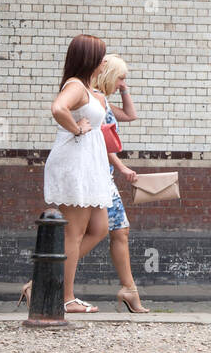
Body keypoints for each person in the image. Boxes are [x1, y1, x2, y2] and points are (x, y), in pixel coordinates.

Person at [33, 34, 115, 313]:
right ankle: (64, 298)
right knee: (74, 234)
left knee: (100, 228)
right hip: (75, 165)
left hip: (90, 165)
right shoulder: (76, 85)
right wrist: (77, 128)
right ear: (89, 59)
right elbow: (58, 108)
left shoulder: (89, 89)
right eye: (101, 55)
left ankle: (40, 282)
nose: (105, 60)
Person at [90, 54, 149, 313]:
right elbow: (101, 142)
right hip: (98, 176)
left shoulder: (104, 102)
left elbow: (130, 115)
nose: (122, 82)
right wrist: (123, 167)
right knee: (91, 232)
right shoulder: (94, 100)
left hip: (103, 176)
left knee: (119, 231)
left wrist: (124, 90)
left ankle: (129, 289)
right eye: (120, 77)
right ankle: (41, 281)